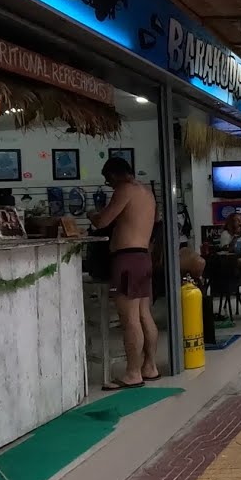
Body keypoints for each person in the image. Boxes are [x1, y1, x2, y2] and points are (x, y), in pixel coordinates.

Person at [91, 156, 159, 390]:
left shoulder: (125, 190)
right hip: (142, 256)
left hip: (127, 259)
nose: (109, 184)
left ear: (113, 175)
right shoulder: (146, 193)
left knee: (129, 319)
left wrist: (93, 214)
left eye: (107, 179)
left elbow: (102, 221)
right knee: (143, 314)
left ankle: (132, 373)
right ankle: (149, 367)